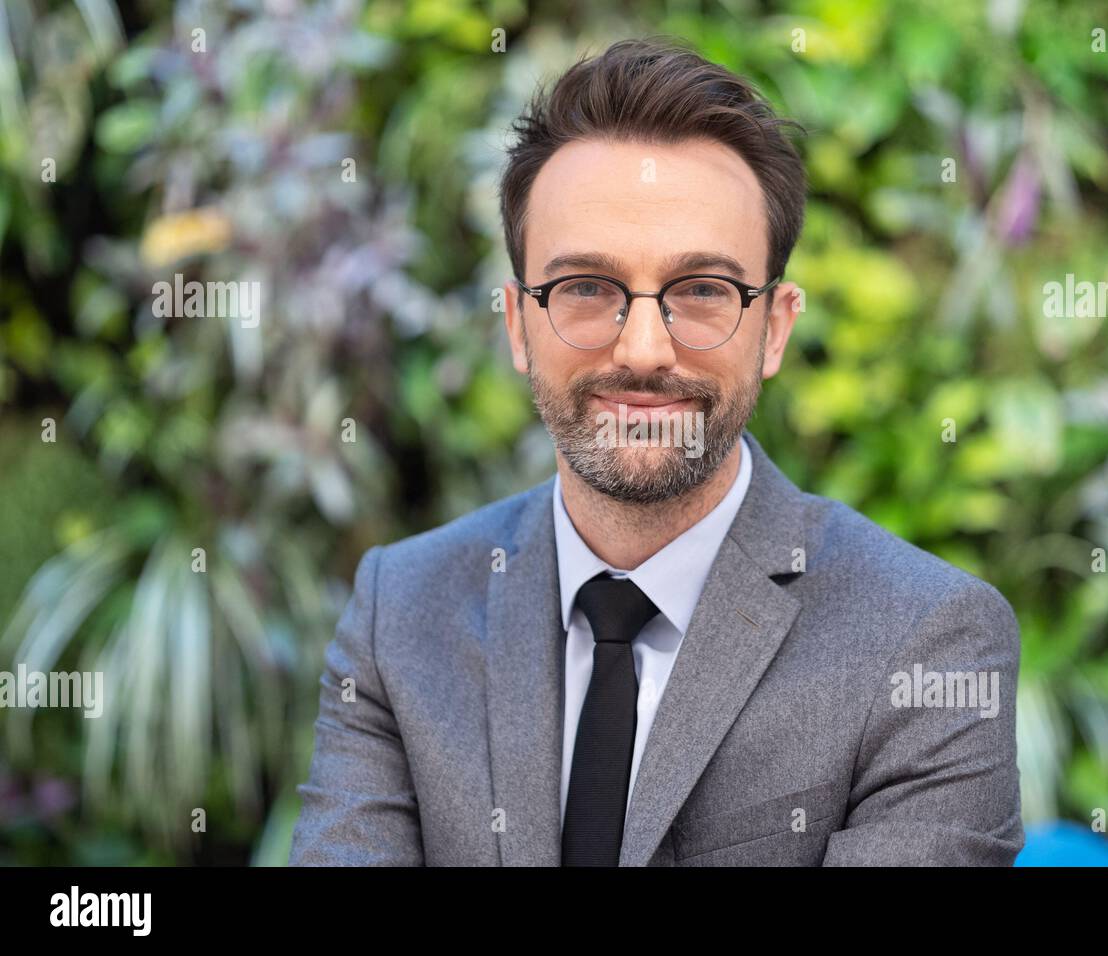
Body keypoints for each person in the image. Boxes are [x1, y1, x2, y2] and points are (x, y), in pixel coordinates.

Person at [289, 36, 1023, 866]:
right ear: (518, 324)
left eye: (702, 290)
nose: (642, 349)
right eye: (587, 288)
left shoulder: (926, 639)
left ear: (774, 328)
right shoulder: (401, 614)